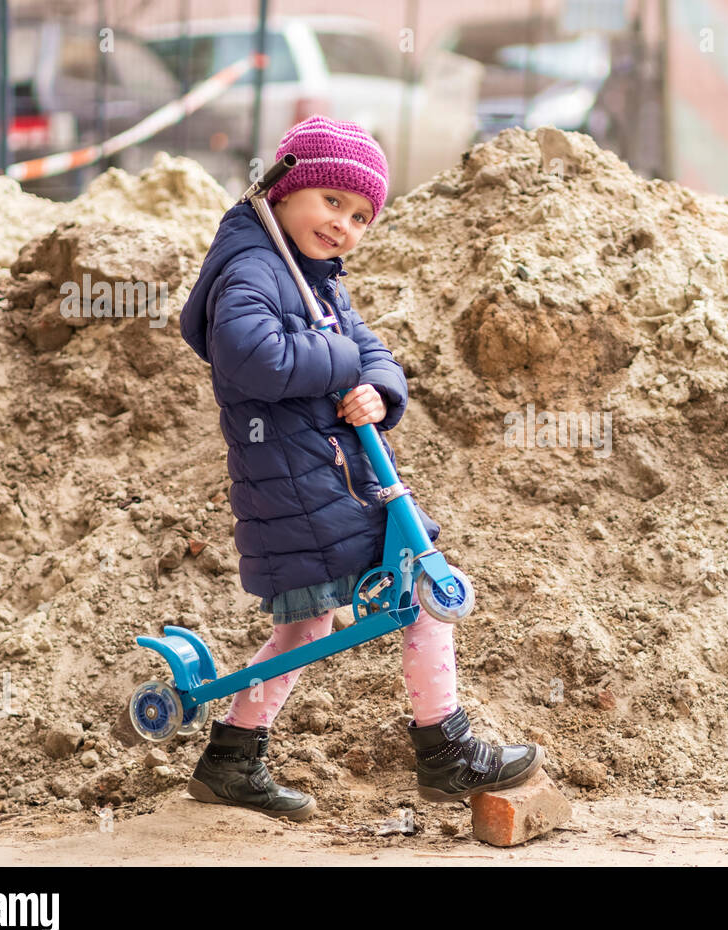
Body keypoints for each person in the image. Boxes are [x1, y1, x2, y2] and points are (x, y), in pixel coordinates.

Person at [177, 116, 543, 821]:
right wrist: (342, 362)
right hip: (302, 491)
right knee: (427, 586)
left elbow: (369, 349)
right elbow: (252, 356)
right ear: (284, 188)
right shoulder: (253, 267)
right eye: (330, 202)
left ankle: (229, 758)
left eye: (360, 216)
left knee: (309, 628)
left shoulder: (310, 276)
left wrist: (381, 388)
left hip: (325, 484)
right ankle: (446, 751)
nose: (343, 224)